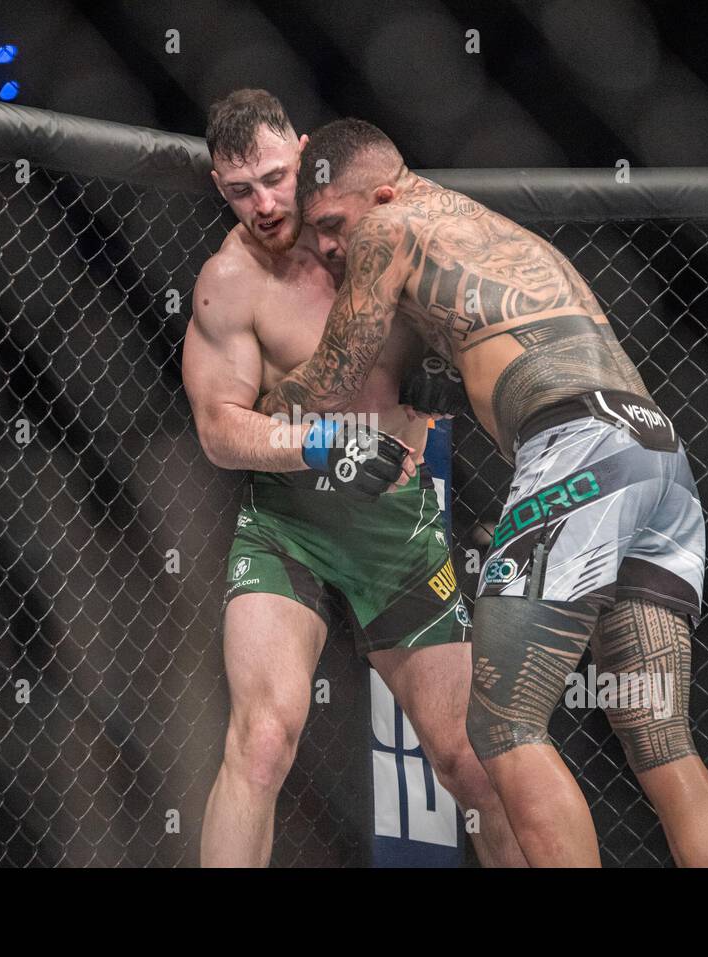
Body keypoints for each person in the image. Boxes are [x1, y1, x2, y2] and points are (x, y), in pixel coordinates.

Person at [255, 117, 708, 867]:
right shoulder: (491, 235)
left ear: (381, 193)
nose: (325, 247)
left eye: (331, 224)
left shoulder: (389, 226)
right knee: (660, 738)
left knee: (505, 724)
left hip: (577, 447)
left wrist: (253, 406)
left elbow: (331, 378)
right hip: (657, 455)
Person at [184, 90, 525, 867]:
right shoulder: (227, 283)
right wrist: (317, 443)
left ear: (304, 153)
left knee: (471, 764)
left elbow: (479, 328)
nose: (265, 204)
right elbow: (218, 426)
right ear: (218, 188)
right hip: (287, 524)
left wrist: (442, 386)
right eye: (241, 190)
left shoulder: (374, 235)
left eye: (275, 177)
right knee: (262, 741)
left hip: (393, 522)